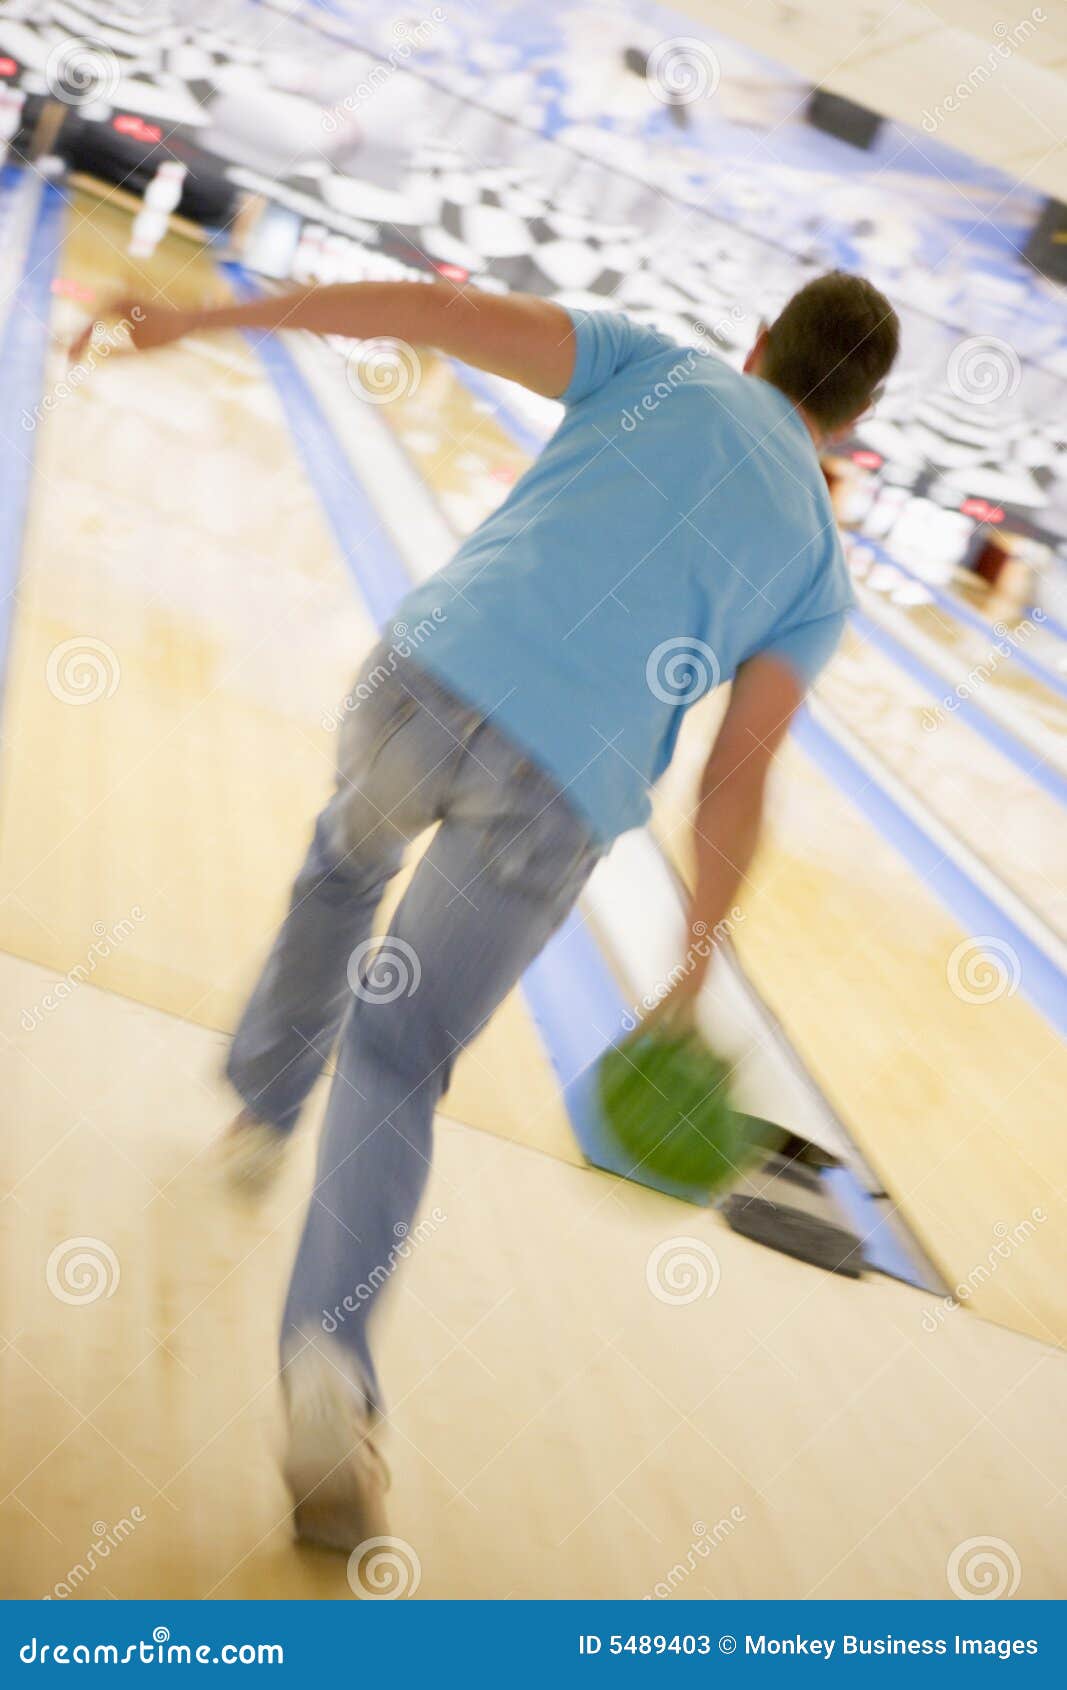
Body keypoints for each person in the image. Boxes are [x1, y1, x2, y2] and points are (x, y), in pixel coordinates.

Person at [73, 269, 899, 1550]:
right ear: (853, 421)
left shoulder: (656, 364)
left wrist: (200, 319)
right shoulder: (814, 567)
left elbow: (428, 311)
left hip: (421, 679)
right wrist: (689, 974)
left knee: (341, 868)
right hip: (559, 788)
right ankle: (327, 1372)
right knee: (397, 1061)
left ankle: (258, 1102)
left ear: (756, 339)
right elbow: (736, 782)